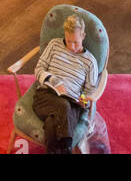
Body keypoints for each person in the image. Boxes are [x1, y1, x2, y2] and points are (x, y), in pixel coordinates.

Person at [32, 13, 98, 154]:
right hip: (45, 98)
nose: (72, 47)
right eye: (68, 41)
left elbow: (89, 93)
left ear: (83, 36)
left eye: (76, 42)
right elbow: (38, 69)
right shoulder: (54, 45)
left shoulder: (90, 62)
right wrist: (52, 80)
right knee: (63, 106)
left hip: (72, 106)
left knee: (51, 124)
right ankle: (67, 148)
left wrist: (84, 102)